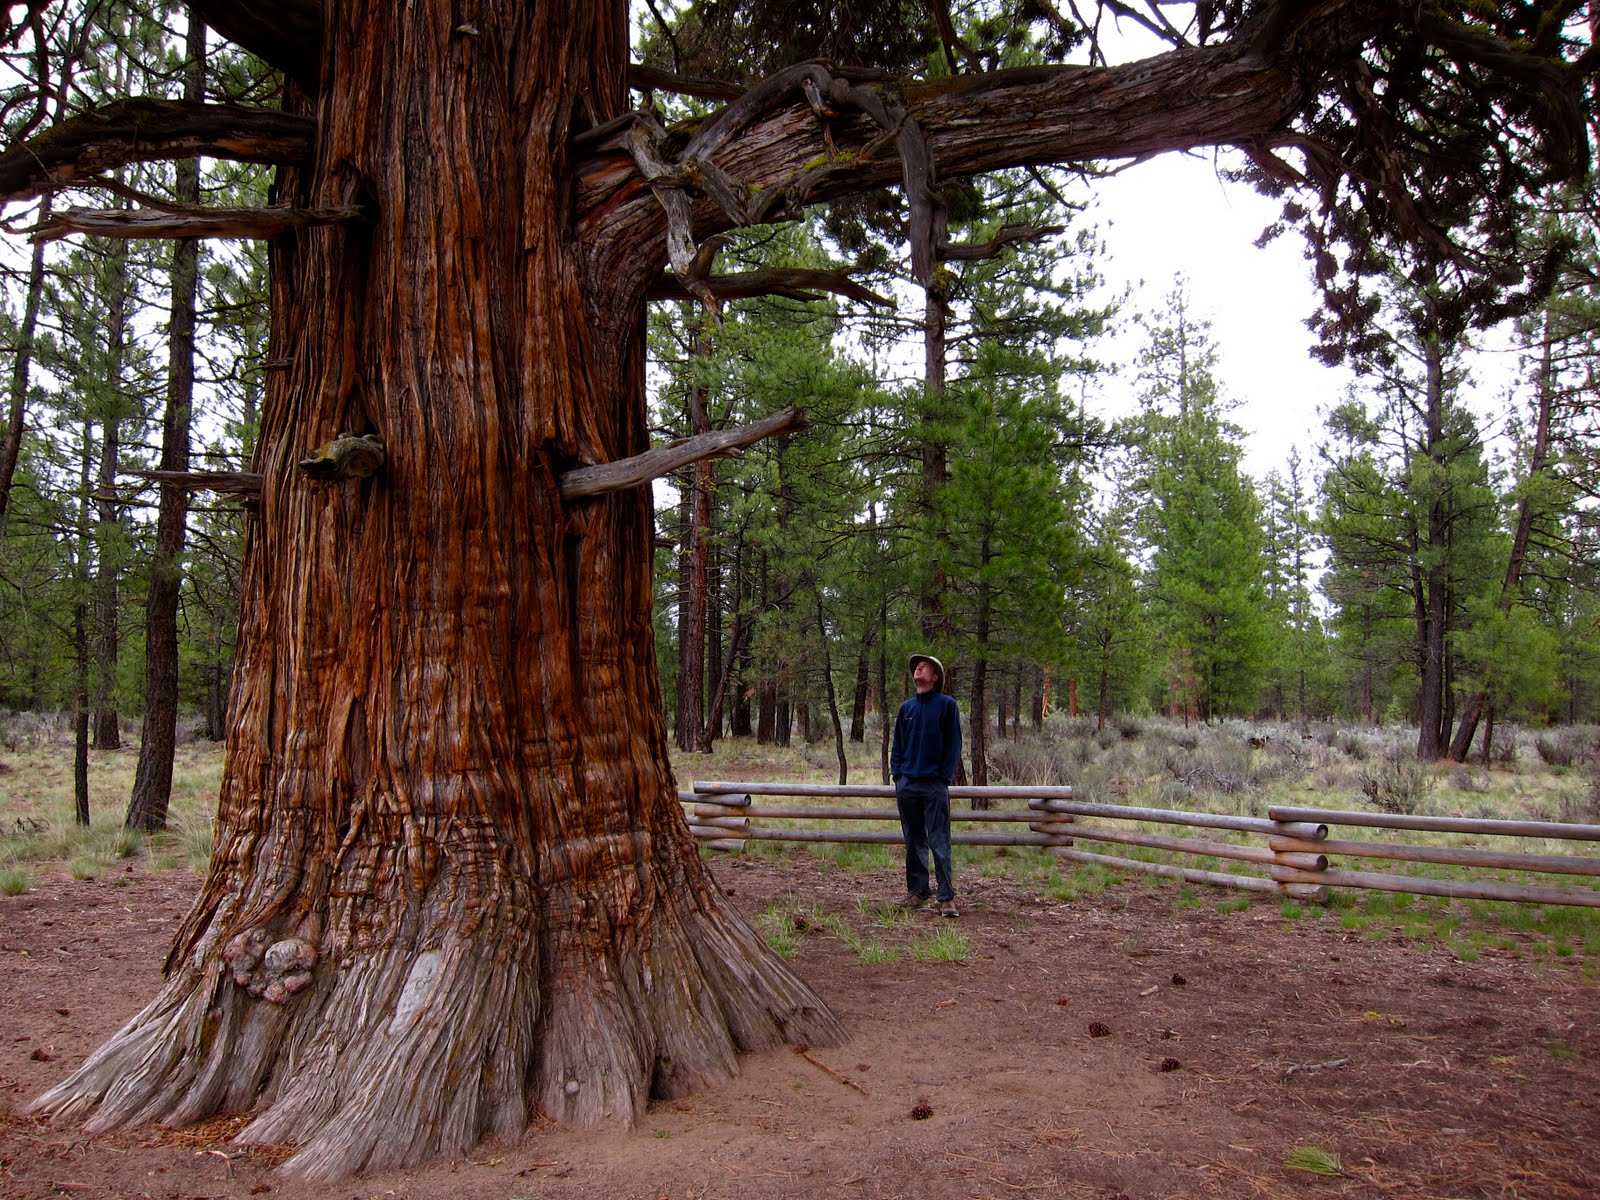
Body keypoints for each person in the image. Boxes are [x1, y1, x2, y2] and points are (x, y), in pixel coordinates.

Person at [889, 652, 962, 918]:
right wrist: (898, 775)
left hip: (933, 784)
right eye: (916, 667)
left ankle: (946, 898)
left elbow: (954, 745)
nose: (918, 669)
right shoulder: (906, 708)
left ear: (935, 677)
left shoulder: (947, 705)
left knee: (939, 840)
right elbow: (897, 745)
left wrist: (942, 777)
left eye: (925, 667)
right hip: (907, 784)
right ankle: (918, 892)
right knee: (914, 840)